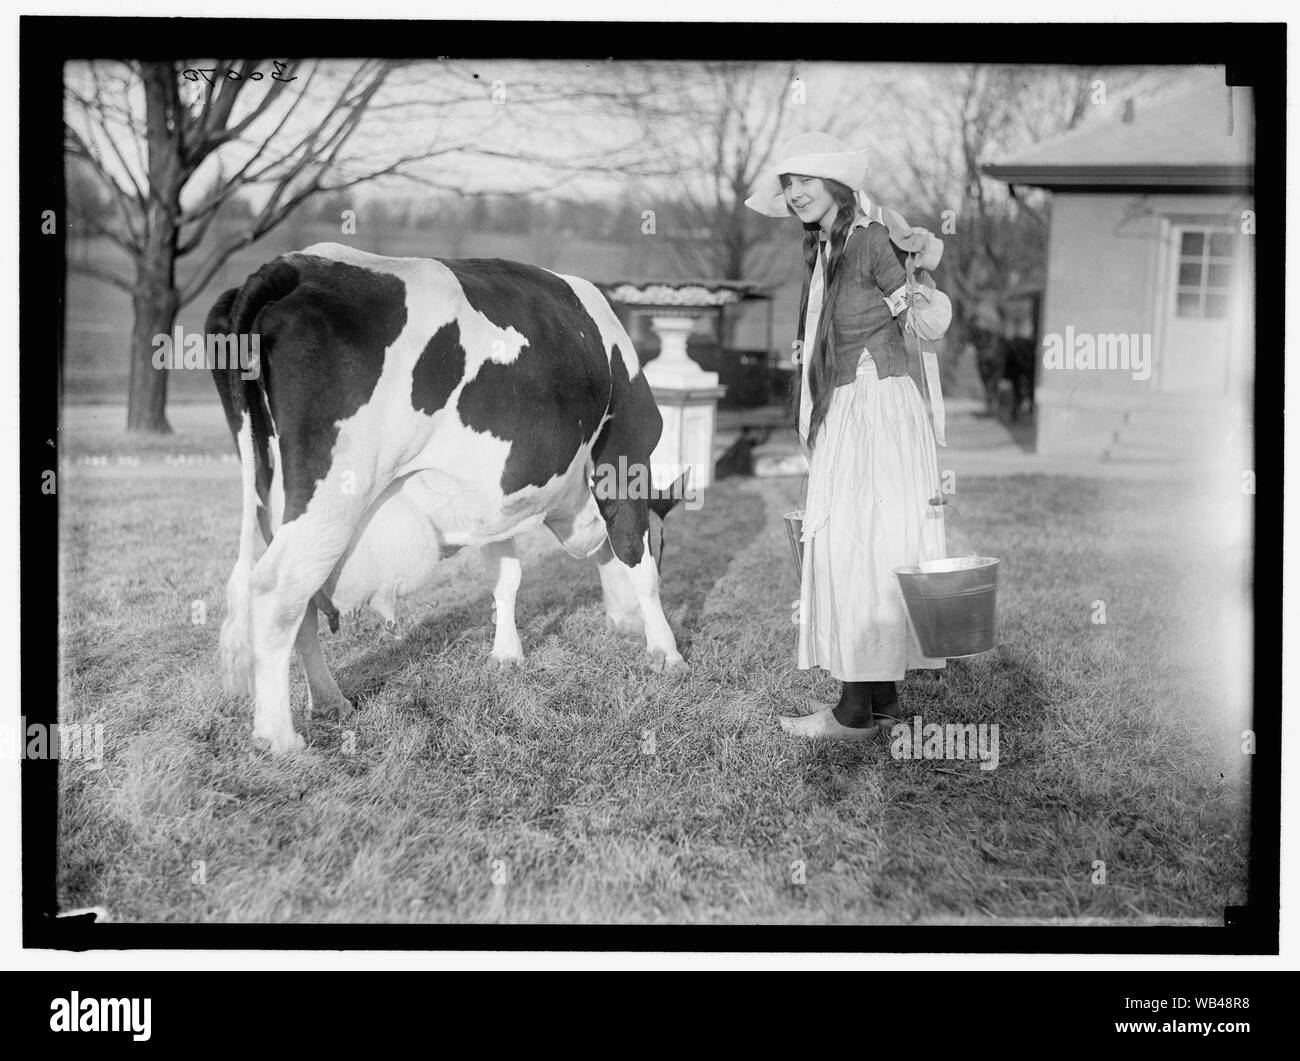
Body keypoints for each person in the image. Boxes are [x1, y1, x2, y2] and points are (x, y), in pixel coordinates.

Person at [743, 132, 951, 741]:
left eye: (805, 180)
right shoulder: (826, 248)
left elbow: (924, 319)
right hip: (852, 407)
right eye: (787, 183)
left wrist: (918, 266)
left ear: (836, 184)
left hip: (875, 409)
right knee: (864, 545)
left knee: (858, 545)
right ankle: (878, 701)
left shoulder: (866, 240)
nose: (795, 192)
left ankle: (853, 710)